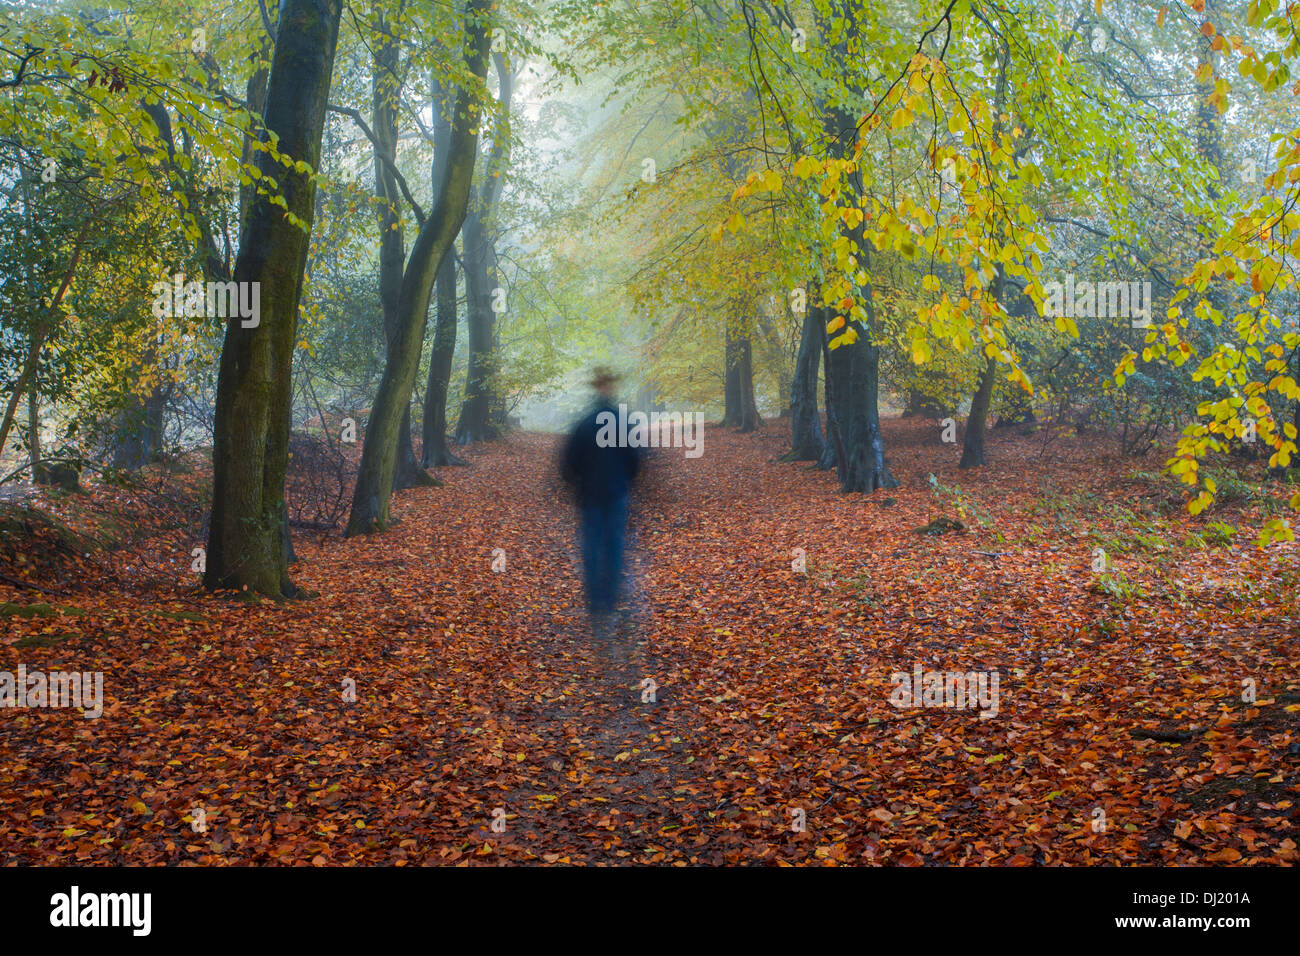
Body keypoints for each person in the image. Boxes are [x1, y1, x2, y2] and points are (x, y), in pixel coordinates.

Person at [560, 368, 641, 640]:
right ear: (611, 390)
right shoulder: (624, 422)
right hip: (616, 493)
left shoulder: (584, 423)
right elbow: (635, 461)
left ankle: (597, 605)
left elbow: (568, 464)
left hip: (590, 494)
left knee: (593, 549)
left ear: (596, 390)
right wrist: (625, 480)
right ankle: (610, 602)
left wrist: (577, 482)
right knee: (614, 547)